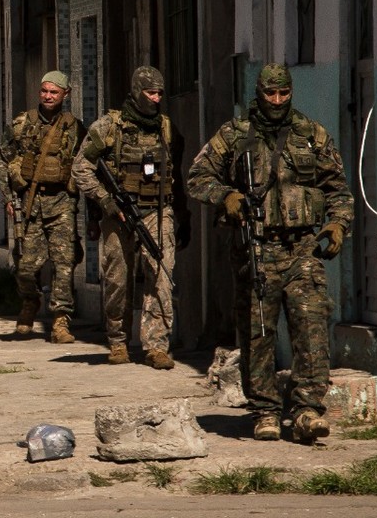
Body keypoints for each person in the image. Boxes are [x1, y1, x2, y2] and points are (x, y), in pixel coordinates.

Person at [186, 63, 353, 443]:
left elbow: (338, 189)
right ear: (258, 92)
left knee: (311, 330)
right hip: (257, 249)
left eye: (283, 93)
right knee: (257, 332)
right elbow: (197, 178)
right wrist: (226, 195)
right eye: (269, 94)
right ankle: (264, 411)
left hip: (302, 249)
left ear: (290, 92)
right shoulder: (233, 135)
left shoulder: (311, 134)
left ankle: (308, 410)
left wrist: (338, 223)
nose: (276, 101)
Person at [72, 66, 179, 370]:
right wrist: (105, 201)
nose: (156, 98)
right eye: (150, 92)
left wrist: (180, 214)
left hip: (158, 213)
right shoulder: (109, 127)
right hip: (118, 213)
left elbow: (176, 174)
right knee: (117, 279)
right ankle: (118, 341)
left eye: (159, 92)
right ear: (136, 91)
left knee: (161, 276)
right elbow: (81, 168)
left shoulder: (166, 128)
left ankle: (156, 345)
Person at [0, 70, 85, 343]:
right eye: (44, 91)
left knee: (64, 264)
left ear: (65, 95)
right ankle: (30, 301)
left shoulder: (75, 128)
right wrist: (9, 199)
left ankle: (61, 320)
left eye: (54, 92)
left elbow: (86, 167)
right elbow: (3, 161)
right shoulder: (22, 124)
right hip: (30, 205)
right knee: (25, 265)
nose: (48, 96)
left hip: (62, 203)